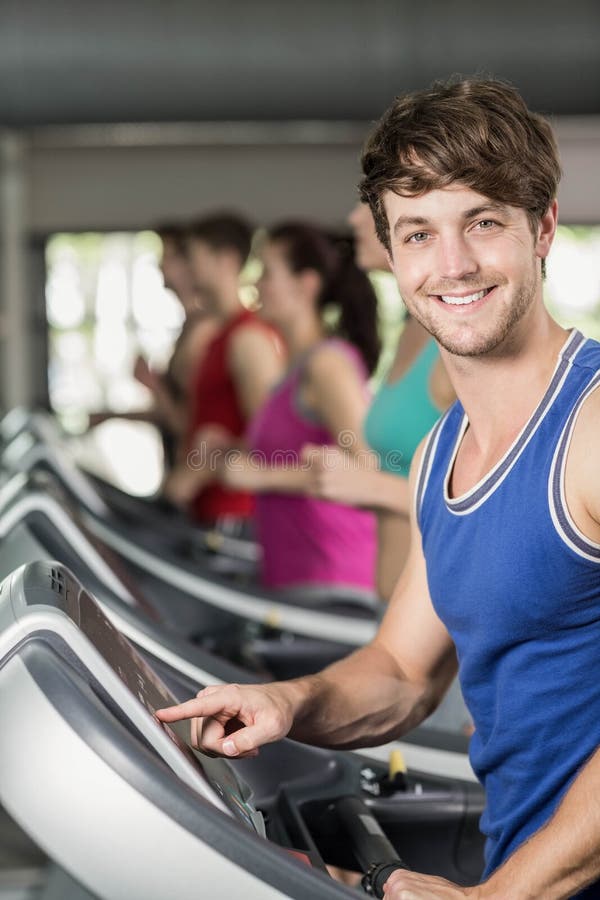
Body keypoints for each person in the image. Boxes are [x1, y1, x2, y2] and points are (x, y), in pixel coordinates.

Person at [157, 78, 600, 899]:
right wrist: (287, 701)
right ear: (391, 254)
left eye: (484, 222)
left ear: (542, 228)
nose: (454, 264)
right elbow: (401, 670)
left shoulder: (593, 426)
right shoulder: (440, 455)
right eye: (419, 234)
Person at [219, 221, 379, 597]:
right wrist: (228, 449)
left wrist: (261, 477)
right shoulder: (290, 370)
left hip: (335, 578)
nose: (255, 285)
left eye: (267, 272)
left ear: (306, 285)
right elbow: (289, 454)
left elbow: (368, 468)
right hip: (294, 576)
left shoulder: (327, 365)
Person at [305, 202, 454, 601]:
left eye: (368, 205)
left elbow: (501, 503)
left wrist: (372, 486)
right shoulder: (413, 329)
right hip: (394, 609)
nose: (352, 217)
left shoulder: (457, 339)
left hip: (446, 627)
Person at [163, 213, 283, 528]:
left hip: (236, 516)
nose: (186, 270)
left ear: (225, 260)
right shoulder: (216, 336)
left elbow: (272, 440)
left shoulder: (249, 338)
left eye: (194, 258)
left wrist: (210, 461)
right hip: (206, 512)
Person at [89, 223, 217, 470]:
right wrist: (111, 416)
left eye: (167, 257)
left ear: (189, 264)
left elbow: (185, 422)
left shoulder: (204, 330)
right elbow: (169, 414)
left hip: (195, 477)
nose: (160, 266)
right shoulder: (189, 327)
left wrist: (152, 384)